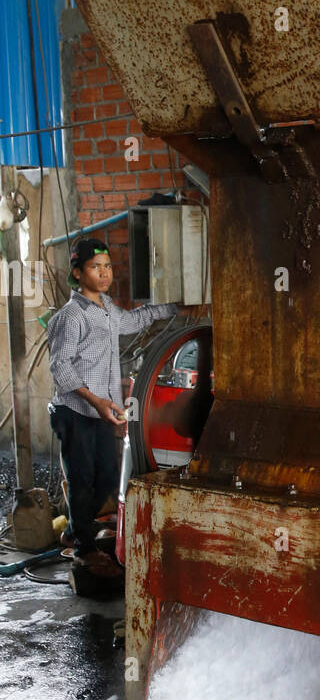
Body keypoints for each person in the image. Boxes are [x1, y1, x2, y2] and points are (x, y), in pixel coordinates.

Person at [46, 238, 178, 578]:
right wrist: (96, 400)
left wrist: (176, 307)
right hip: (76, 412)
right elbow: (61, 368)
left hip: (101, 411)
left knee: (106, 477)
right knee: (81, 481)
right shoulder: (70, 316)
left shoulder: (106, 309)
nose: (104, 273)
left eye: (107, 266)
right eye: (95, 267)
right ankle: (84, 549)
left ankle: (78, 530)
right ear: (77, 273)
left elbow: (134, 321)